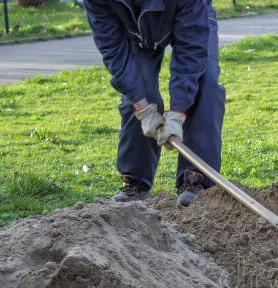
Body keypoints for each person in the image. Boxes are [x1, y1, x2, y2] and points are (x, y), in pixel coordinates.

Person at [85, 0, 225, 206]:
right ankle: (136, 184)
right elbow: (113, 48)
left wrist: (177, 112)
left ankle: (197, 180)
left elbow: (191, 52)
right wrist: (144, 108)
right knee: (139, 91)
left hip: (191, 16)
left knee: (205, 85)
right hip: (131, 29)